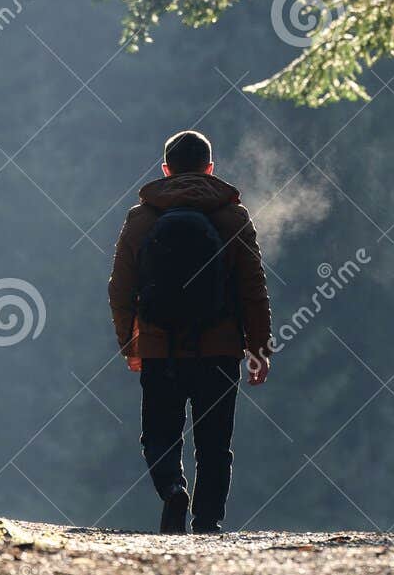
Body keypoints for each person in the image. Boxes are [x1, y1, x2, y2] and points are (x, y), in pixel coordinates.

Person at [108, 129, 272, 535]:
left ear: (166, 169)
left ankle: (172, 490)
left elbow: (121, 288)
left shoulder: (141, 218)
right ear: (210, 169)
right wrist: (258, 347)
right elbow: (253, 288)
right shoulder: (233, 217)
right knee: (215, 442)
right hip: (220, 349)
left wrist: (131, 343)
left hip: (160, 347)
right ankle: (207, 520)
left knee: (159, 435)